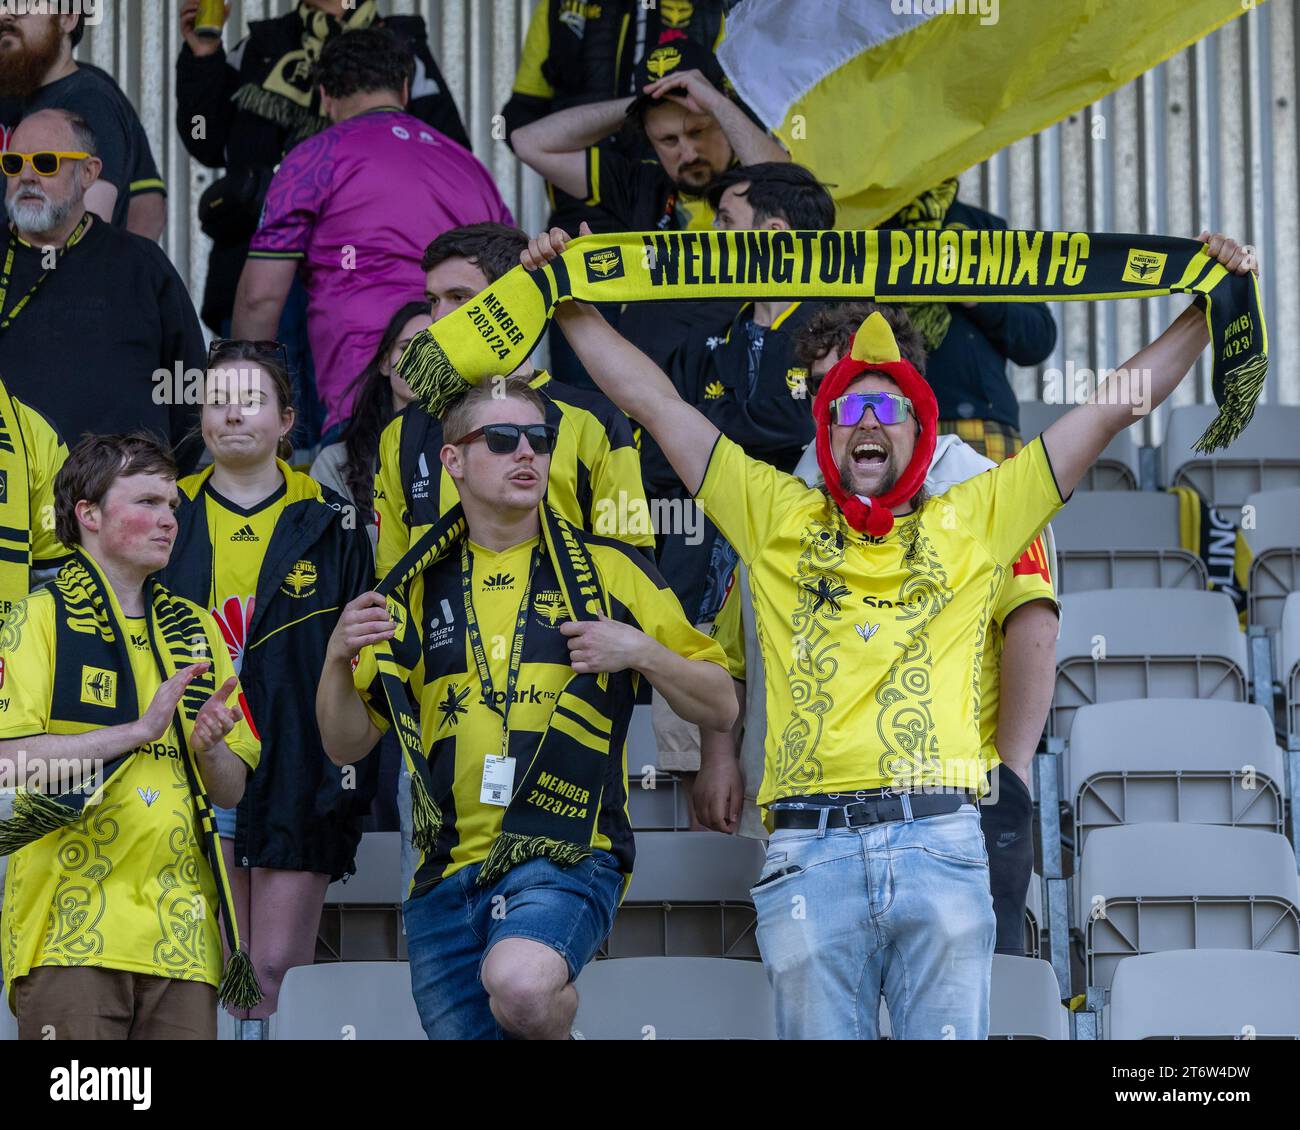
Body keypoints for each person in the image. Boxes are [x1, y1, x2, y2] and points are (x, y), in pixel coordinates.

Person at [524, 222, 1255, 1039]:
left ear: (921, 428)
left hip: (941, 844)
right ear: (826, 430)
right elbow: (654, 402)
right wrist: (570, 304)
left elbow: (1114, 407)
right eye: (848, 409)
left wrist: (1206, 304)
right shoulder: (772, 511)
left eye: (889, 408)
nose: (867, 422)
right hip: (809, 852)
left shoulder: (976, 514)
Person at [317, 375, 736, 1039]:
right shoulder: (413, 589)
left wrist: (640, 651)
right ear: (451, 460)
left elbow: (719, 704)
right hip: (445, 872)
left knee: (522, 984)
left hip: (567, 852)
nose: (526, 454)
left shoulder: (611, 570)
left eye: (539, 440)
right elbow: (347, 744)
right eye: (503, 438)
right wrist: (338, 658)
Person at [698, 301, 1058, 958]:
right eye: (831, 394)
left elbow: (1032, 627)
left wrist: (1010, 770)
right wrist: (720, 758)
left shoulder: (981, 489)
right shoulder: (786, 497)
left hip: (958, 800)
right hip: (810, 808)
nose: (856, 419)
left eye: (878, 399)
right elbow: (734, 643)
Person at [0, 432, 260, 1040]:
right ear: (87, 514)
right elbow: (9, 764)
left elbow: (231, 792)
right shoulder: (35, 618)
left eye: (172, 505)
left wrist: (210, 747)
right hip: (69, 937)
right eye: (146, 502)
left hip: (184, 942)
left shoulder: (196, 629)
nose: (168, 519)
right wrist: (137, 732)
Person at [158, 341, 376, 1027]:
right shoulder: (166, 511)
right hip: (192, 752)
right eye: (218, 399)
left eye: (251, 400)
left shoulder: (332, 523)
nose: (231, 414)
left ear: (287, 420)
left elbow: (360, 659)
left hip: (297, 759)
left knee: (277, 967)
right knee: (217, 963)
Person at [641, 161, 838, 826]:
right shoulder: (708, 334)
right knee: (693, 797)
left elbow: (805, 434)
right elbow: (665, 454)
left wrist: (713, 440)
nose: (711, 236)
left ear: (775, 232)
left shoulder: (842, 334)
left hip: (803, 588)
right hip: (698, 584)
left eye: (725, 222)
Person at [175, 0, 468, 442]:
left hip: (363, 270)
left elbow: (445, 150)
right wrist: (203, 53)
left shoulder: (398, 43)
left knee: (356, 425)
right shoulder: (264, 44)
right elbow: (207, 140)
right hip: (268, 257)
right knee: (269, 417)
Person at [232, 27, 511, 441]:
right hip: (470, 408)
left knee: (365, 506)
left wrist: (243, 398)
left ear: (325, 94)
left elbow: (261, 297)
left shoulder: (311, 159)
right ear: (403, 88)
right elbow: (514, 284)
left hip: (363, 402)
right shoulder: (469, 167)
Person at [374, 223, 652, 582]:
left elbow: (633, 575)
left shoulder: (595, 420)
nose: (438, 318)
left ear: (515, 301)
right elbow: (390, 581)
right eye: (433, 300)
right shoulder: (403, 431)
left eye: (459, 297)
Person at [512, 30, 787, 368]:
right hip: (645, 393)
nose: (688, 152)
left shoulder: (759, 183)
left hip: (733, 389)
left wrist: (717, 101)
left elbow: (787, 182)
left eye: (697, 132)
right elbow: (528, 142)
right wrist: (633, 106)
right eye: (668, 139)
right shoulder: (642, 184)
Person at [0, 110, 205, 471]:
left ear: (89, 173)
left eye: (46, 164)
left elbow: (190, 391)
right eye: (14, 163)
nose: (27, 176)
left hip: (117, 508)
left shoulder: (141, 265)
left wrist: (150, 481)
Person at [502, 0, 728, 238]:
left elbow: (736, 107)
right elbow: (519, 118)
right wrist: (638, 107)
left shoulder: (713, 8)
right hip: (580, 206)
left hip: (673, 203)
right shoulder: (559, 6)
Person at [880, 182, 1058, 459]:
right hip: (889, 418)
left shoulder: (983, 230)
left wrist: (978, 299)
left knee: (997, 504)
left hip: (978, 423)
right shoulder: (872, 232)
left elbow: (1039, 338)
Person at [0, 9, 167, 238]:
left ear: (67, 18)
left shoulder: (89, 101)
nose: (6, 15)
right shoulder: (11, 95)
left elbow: (80, 245)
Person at [311, 299, 433, 551]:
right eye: (407, 347)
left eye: (433, 350)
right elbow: (329, 553)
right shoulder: (335, 462)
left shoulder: (468, 450)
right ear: (385, 362)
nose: (419, 360)